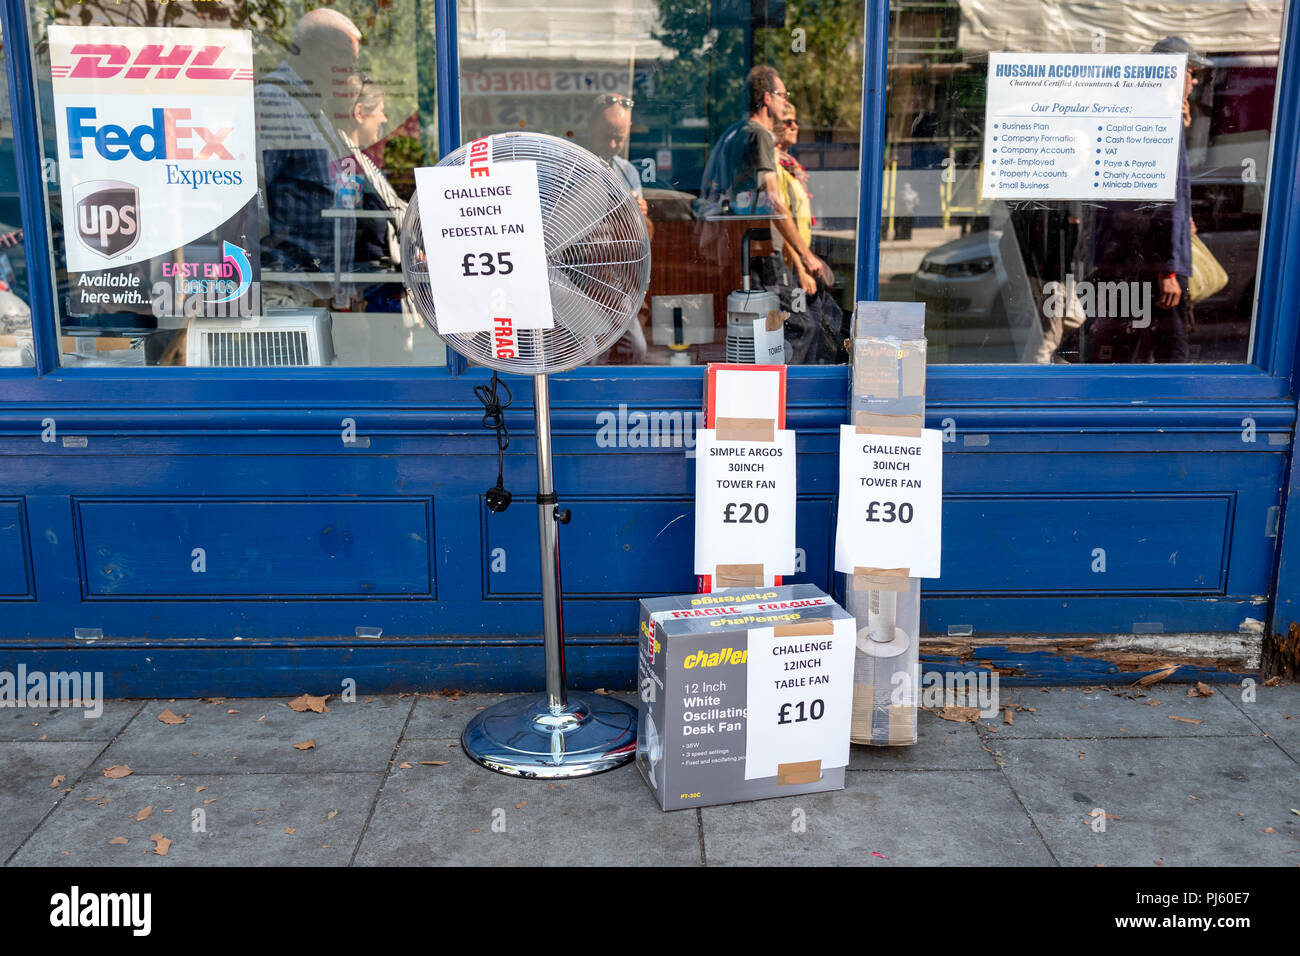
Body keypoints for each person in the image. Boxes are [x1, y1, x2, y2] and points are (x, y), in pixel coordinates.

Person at [1087, 36, 1207, 363]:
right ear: (1172, 73)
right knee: (1169, 354)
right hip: (1152, 265)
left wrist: (1183, 224)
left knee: (1142, 351)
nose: (1195, 80)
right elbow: (1154, 201)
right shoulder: (1157, 119)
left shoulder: (1159, 115)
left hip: (1146, 260)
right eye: (1191, 71)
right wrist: (1167, 270)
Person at [256, 8, 363, 310]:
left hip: (320, 291)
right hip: (288, 291)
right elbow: (256, 199)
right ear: (314, 51)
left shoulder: (315, 112)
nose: (350, 71)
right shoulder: (273, 100)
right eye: (345, 58)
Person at [699, 65, 831, 289]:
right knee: (773, 320)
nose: (785, 102)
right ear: (767, 98)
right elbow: (775, 202)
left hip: (740, 247)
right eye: (782, 95)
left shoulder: (734, 133)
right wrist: (806, 256)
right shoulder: (760, 136)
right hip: (761, 249)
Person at [586, 93, 652, 363]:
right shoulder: (574, 168)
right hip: (582, 279)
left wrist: (642, 217)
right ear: (592, 127)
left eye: (621, 138)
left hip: (619, 281)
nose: (614, 144)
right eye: (608, 136)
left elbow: (643, 236)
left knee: (637, 347)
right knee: (589, 354)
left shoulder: (628, 172)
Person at [336, 74, 410, 314]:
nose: (384, 119)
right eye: (380, 110)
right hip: (369, 289)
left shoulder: (360, 158)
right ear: (359, 113)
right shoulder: (346, 162)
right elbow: (346, 224)